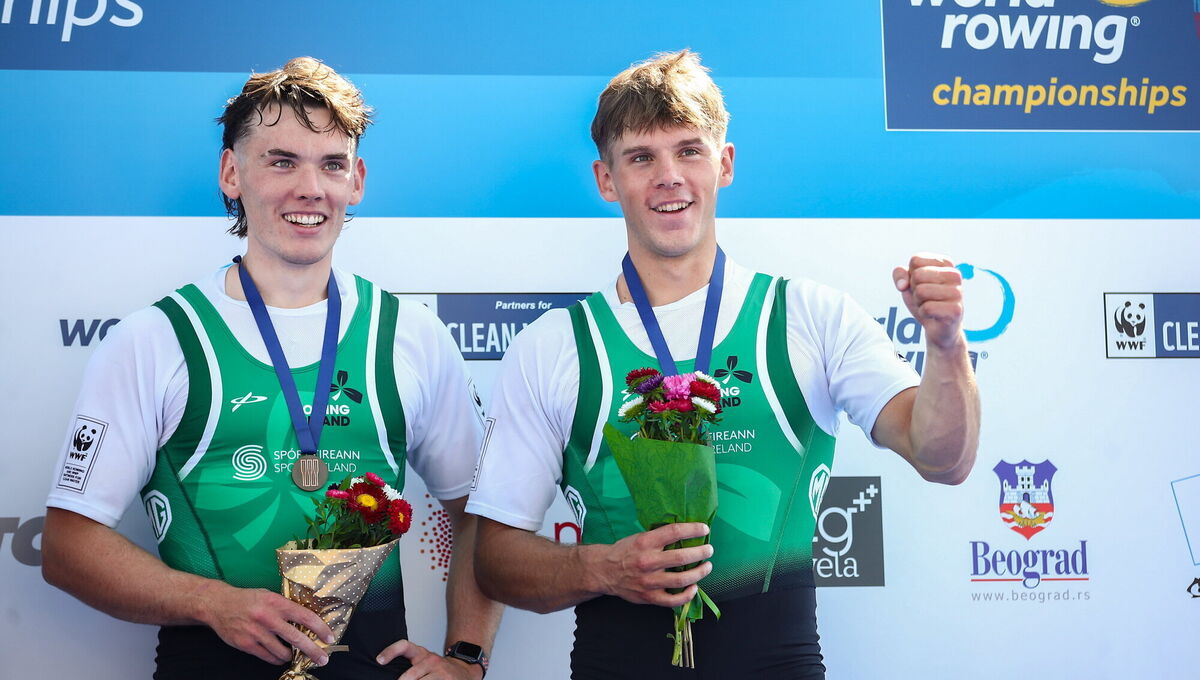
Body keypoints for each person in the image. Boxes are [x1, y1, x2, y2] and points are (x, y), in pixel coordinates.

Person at [467, 50, 979, 678]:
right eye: (641, 157)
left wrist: (947, 346)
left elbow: (943, 458)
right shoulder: (556, 346)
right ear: (606, 180)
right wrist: (601, 568)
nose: (668, 177)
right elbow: (494, 559)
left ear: (724, 164)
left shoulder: (811, 317)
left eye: (688, 150)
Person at [43, 57, 502, 680]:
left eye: (331, 164)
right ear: (232, 172)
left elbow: (481, 511)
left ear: (357, 180)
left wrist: (466, 657)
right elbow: (69, 547)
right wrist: (211, 602)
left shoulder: (411, 335)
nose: (309, 188)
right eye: (282, 160)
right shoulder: (156, 338)